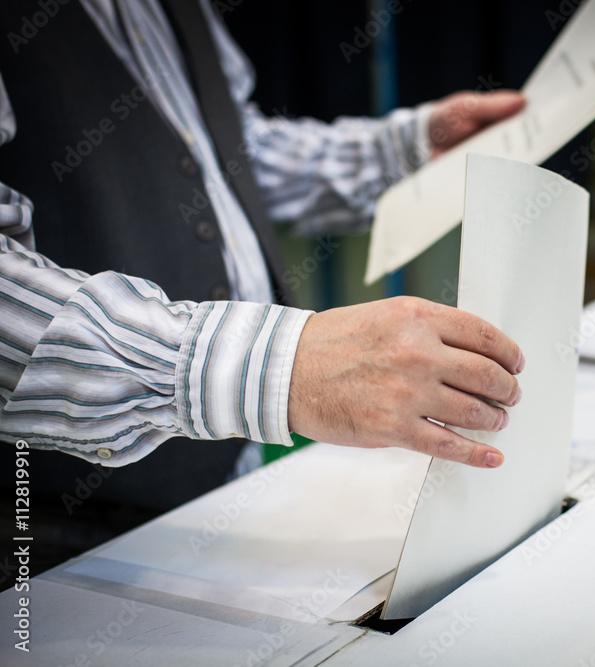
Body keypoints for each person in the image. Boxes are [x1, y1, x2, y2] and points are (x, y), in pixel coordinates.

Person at [0, 0, 526, 564]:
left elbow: (225, 147)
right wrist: (282, 365)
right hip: (53, 545)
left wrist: (405, 151)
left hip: (227, 500)